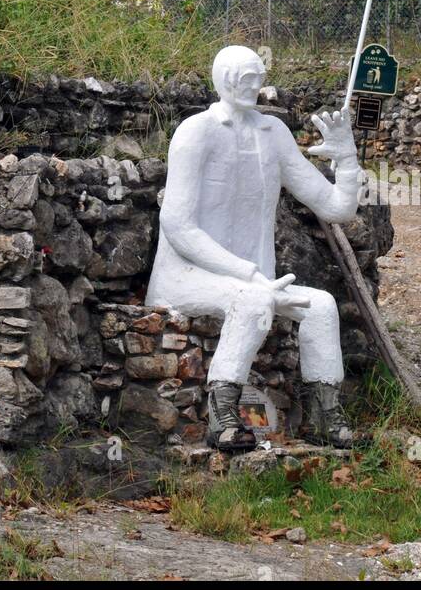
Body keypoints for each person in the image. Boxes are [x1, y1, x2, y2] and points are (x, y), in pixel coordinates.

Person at [146, 45, 363, 451]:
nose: (250, 85)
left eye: (256, 77)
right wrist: (244, 272)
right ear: (222, 78)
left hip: (257, 281)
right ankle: (223, 417)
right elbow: (178, 226)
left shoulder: (273, 134)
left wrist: (346, 158)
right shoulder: (196, 132)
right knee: (251, 299)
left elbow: (336, 207)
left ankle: (325, 416)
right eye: (242, 76)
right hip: (188, 277)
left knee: (321, 306)